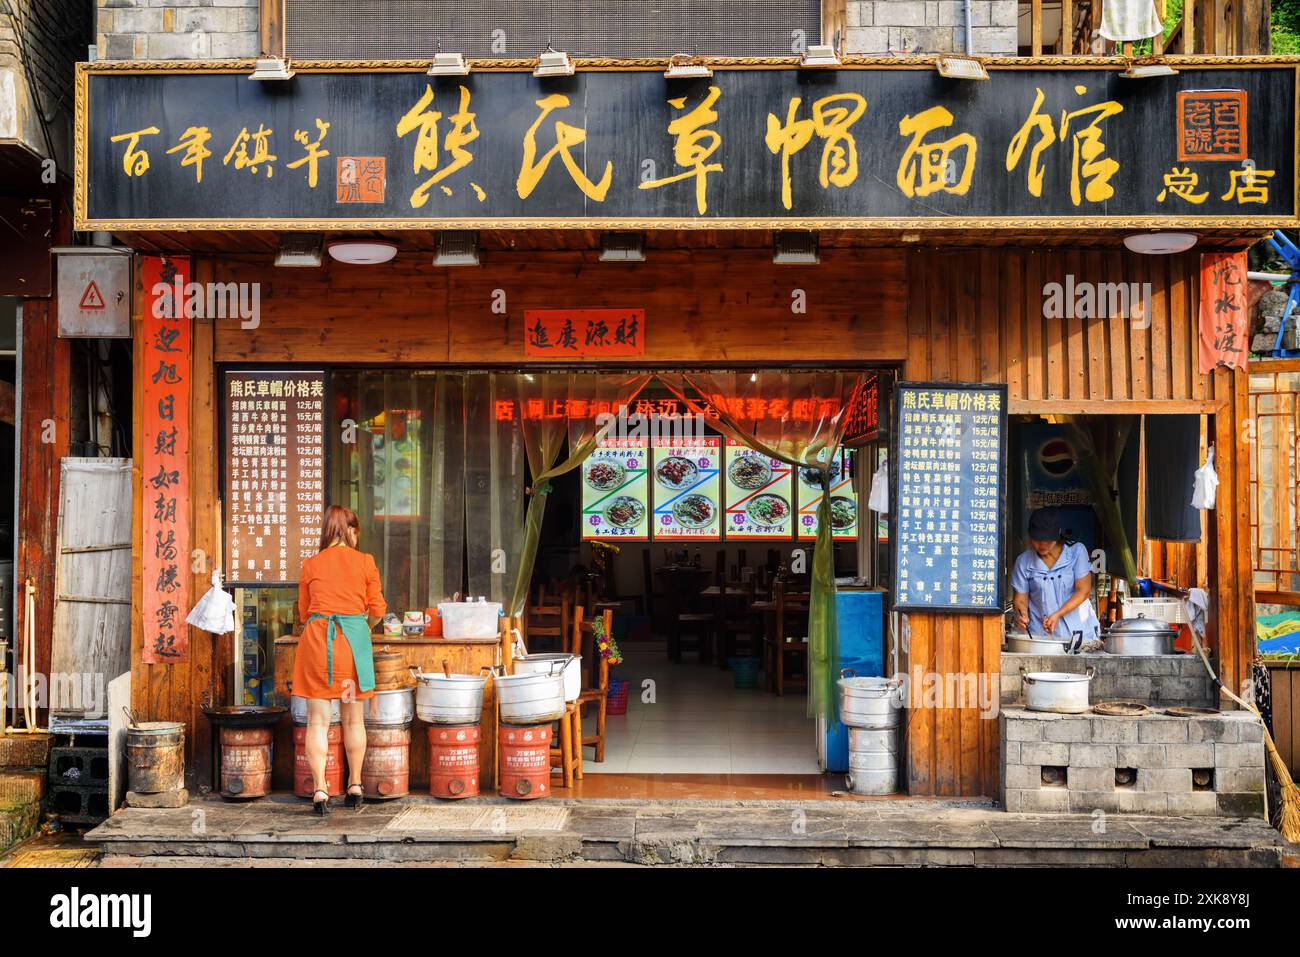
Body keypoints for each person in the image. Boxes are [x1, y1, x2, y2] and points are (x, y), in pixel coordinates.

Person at [292, 505, 386, 815]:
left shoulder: (311, 564)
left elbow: (304, 612)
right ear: (351, 531)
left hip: (318, 643)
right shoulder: (365, 561)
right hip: (351, 645)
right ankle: (355, 785)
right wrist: (363, 625)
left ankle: (320, 789)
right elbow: (378, 609)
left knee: (318, 721)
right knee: (353, 719)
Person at [1010, 507, 1101, 643]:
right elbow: (1020, 600)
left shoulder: (1077, 551)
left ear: (1057, 535)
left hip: (1079, 632)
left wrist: (1058, 614)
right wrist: (1021, 615)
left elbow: (1083, 590)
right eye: (1037, 540)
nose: (1042, 545)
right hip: (1041, 636)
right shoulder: (1023, 561)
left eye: (1047, 541)